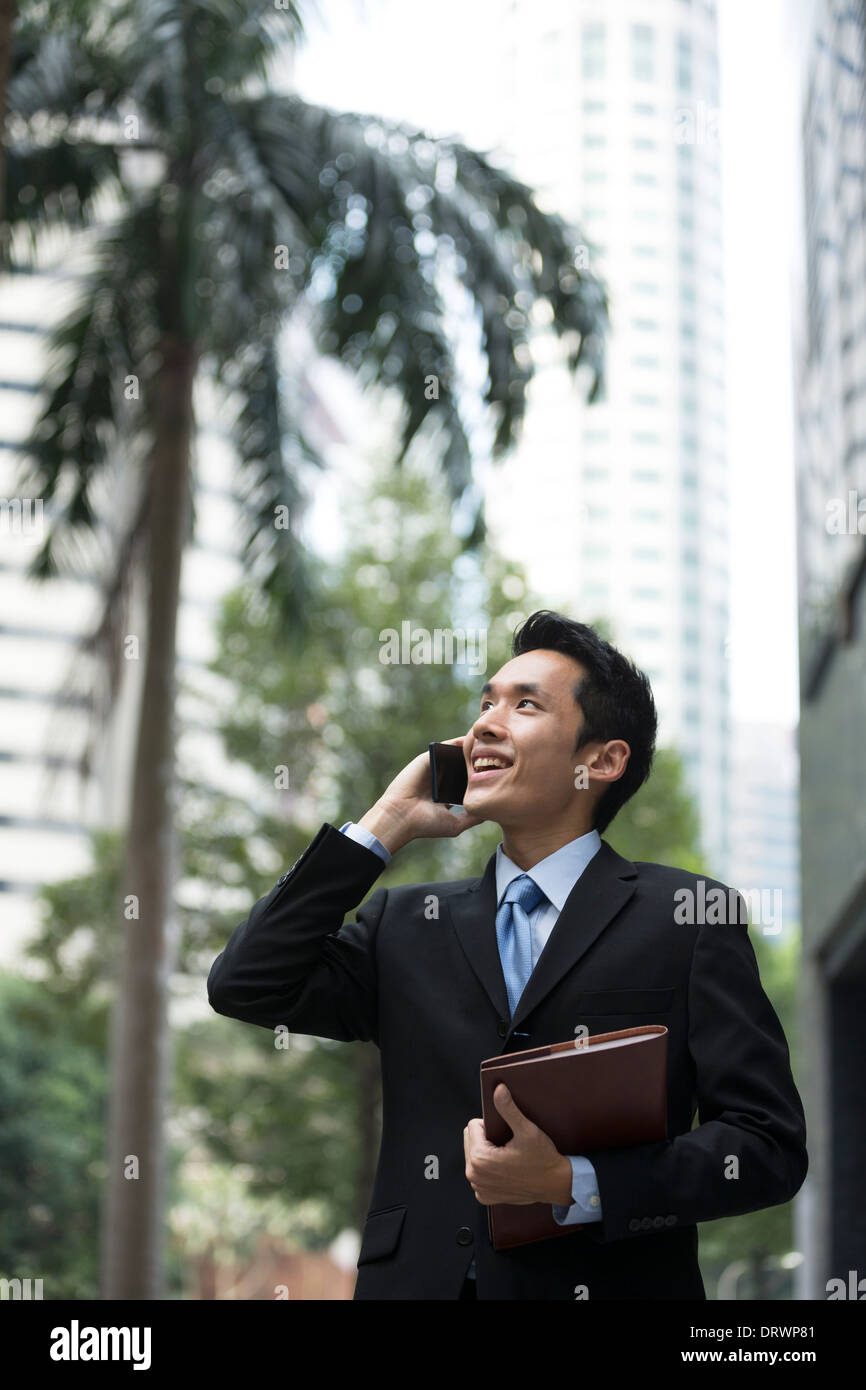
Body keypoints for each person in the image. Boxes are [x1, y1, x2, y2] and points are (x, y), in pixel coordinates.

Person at [207, 610, 808, 1300]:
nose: (486, 725)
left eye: (526, 705)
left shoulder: (689, 919)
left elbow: (766, 1149)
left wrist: (571, 1184)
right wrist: (384, 826)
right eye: (485, 703)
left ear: (602, 760)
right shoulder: (404, 923)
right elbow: (246, 984)